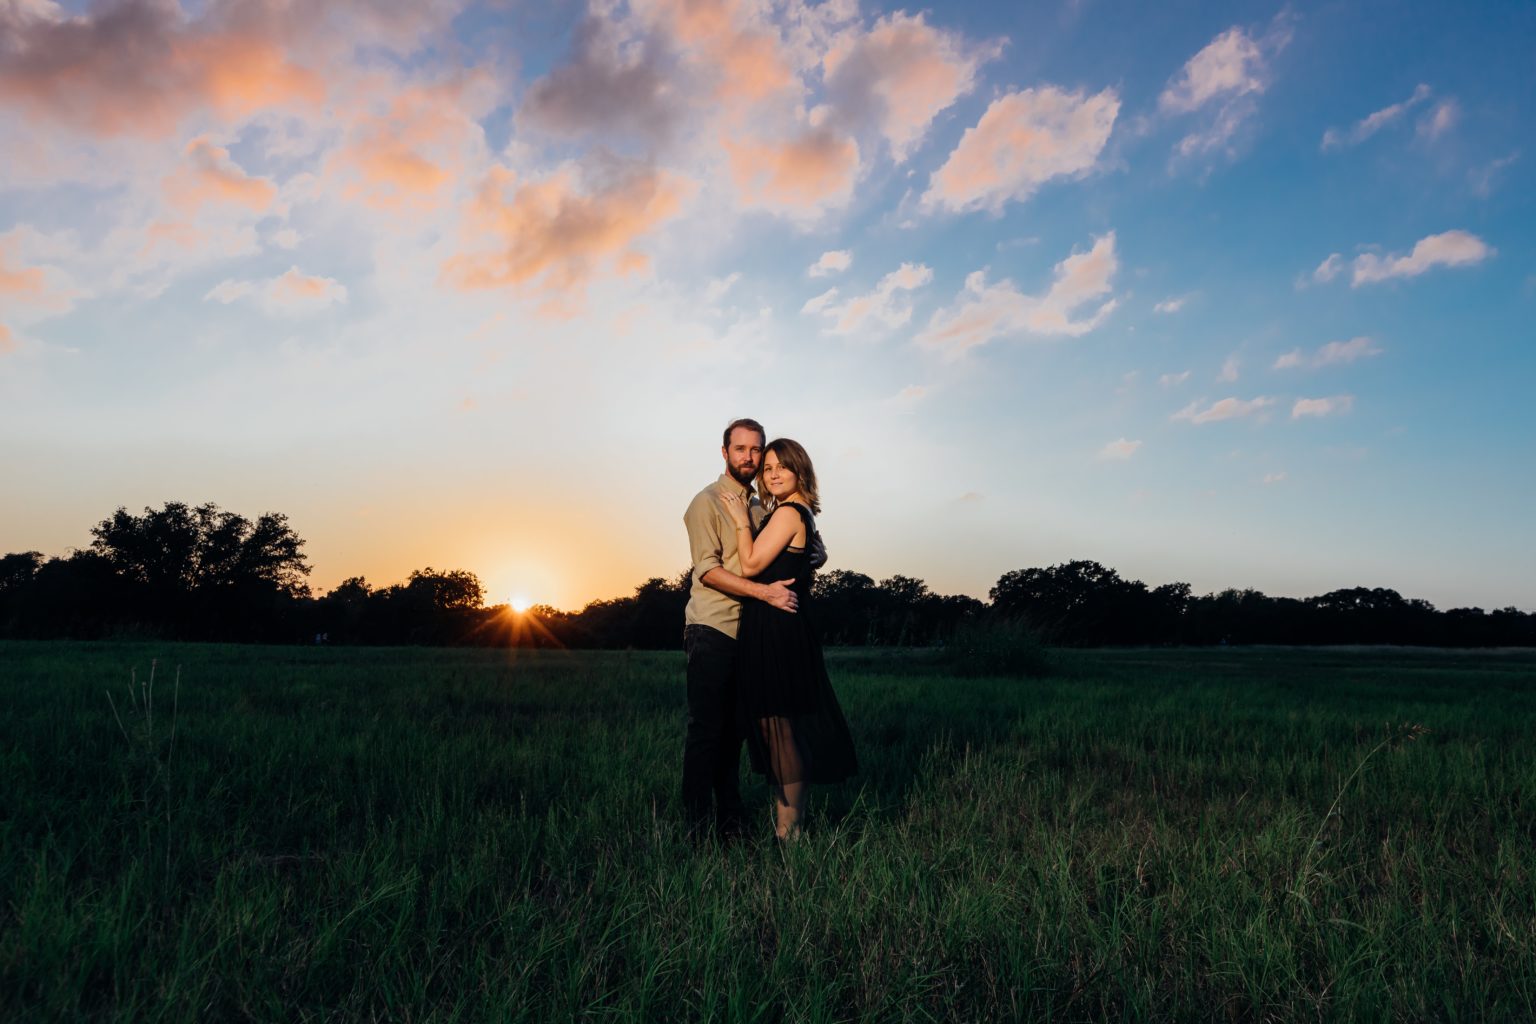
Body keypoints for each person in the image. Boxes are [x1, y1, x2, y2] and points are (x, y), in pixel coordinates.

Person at [719, 438, 858, 840]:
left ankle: (789, 830)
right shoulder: (795, 514)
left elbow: (749, 565)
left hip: (777, 629)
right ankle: (788, 824)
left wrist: (741, 518)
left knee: (779, 728)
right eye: (768, 468)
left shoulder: (788, 513)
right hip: (781, 626)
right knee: (778, 727)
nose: (773, 473)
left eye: (783, 466)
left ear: (801, 472)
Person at [682, 418, 800, 843]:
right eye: (740, 449)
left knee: (735, 736)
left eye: (756, 450)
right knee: (706, 733)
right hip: (712, 628)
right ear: (724, 452)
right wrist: (764, 594)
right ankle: (694, 832)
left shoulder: (760, 507)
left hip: (749, 635)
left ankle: (730, 826)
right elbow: (708, 571)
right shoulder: (706, 502)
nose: (749, 457)